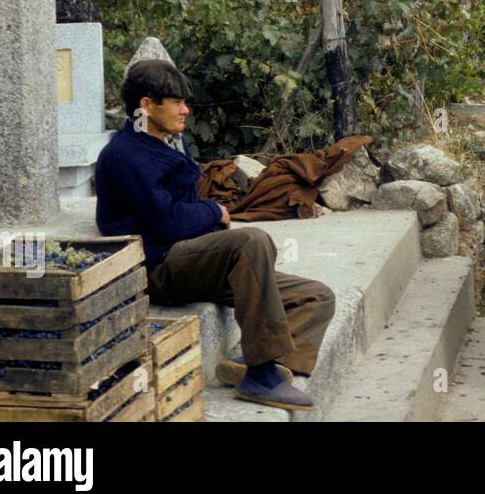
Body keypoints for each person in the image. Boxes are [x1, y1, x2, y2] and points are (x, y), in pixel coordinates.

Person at [95, 58, 334, 411]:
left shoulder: (173, 142)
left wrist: (206, 220)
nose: (185, 110)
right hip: (157, 267)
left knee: (317, 297)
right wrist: (213, 212)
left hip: (193, 258)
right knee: (251, 240)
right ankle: (261, 375)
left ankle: (249, 364)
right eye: (176, 101)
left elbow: (183, 211)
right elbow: (165, 222)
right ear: (146, 105)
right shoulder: (124, 155)